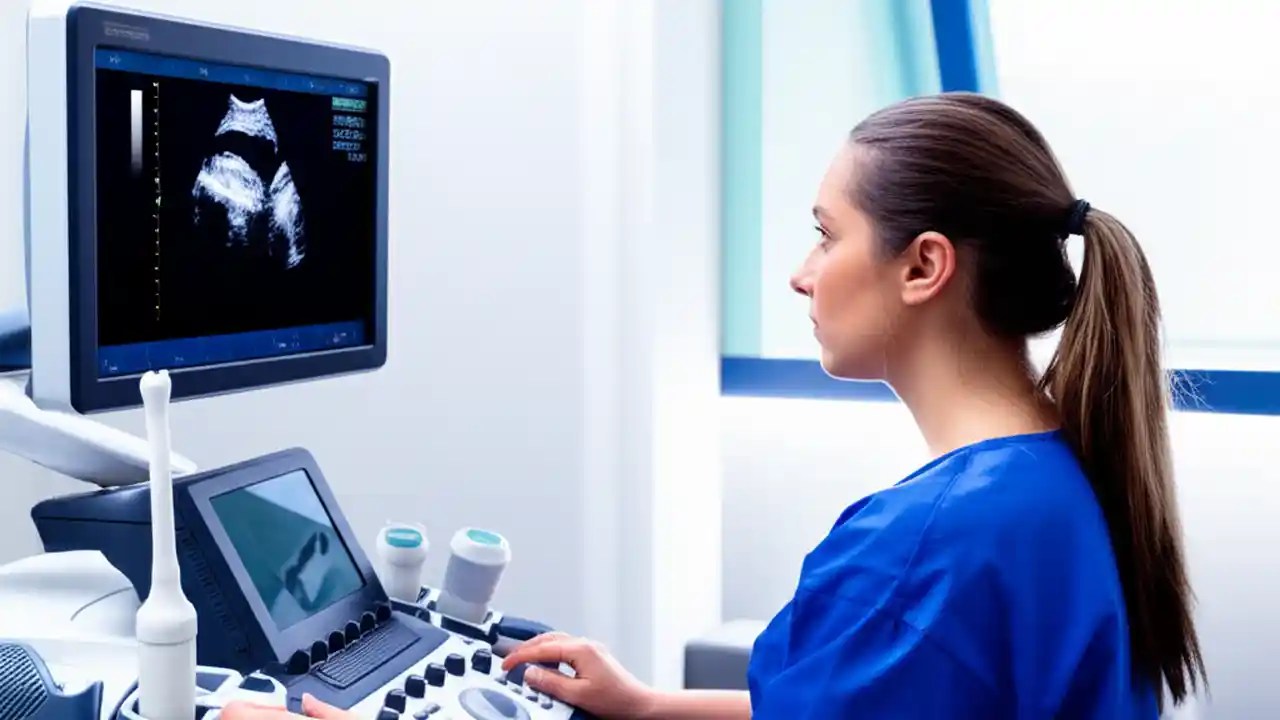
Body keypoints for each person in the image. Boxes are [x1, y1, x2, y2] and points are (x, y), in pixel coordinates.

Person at [221, 92, 1206, 718]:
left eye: (826, 235)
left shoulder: (921, 550)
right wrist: (652, 707)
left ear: (923, 266)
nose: (801, 274)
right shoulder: (1055, 478)